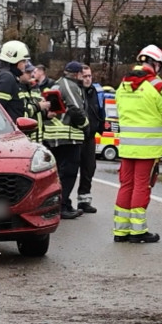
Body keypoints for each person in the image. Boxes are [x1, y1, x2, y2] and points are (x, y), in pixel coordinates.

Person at [112, 63, 162, 243]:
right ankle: (138, 231)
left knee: (126, 185)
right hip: (148, 147)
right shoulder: (154, 87)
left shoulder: (122, 88)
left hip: (127, 146)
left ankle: (121, 230)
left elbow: (119, 111)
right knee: (141, 186)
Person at [44, 61, 89, 219]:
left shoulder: (58, 83)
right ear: (77, 74)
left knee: (60, 173)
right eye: (82, 74)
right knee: (69, 173)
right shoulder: (70, 86)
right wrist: (86, 126)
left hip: (55, 136)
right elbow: (76, 109)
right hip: (67, 136)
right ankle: (62, 206)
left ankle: (64, 203)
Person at [76, 64, 102, 214]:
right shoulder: (76, 91)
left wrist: (100, 126)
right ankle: (63, 201)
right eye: (84, 76)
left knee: (89, 168)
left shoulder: (94, 92)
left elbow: (98, 110)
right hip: (76, 136)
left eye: (89, 76)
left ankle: (84, 201)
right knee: (70, 170)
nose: (87, 79)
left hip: (90, 136)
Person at [0, 40, 32, 121]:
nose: (26, 64)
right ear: (14, 61)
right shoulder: (7, 78)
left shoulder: (6, 76)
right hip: (11, 127)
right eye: (23, 61)